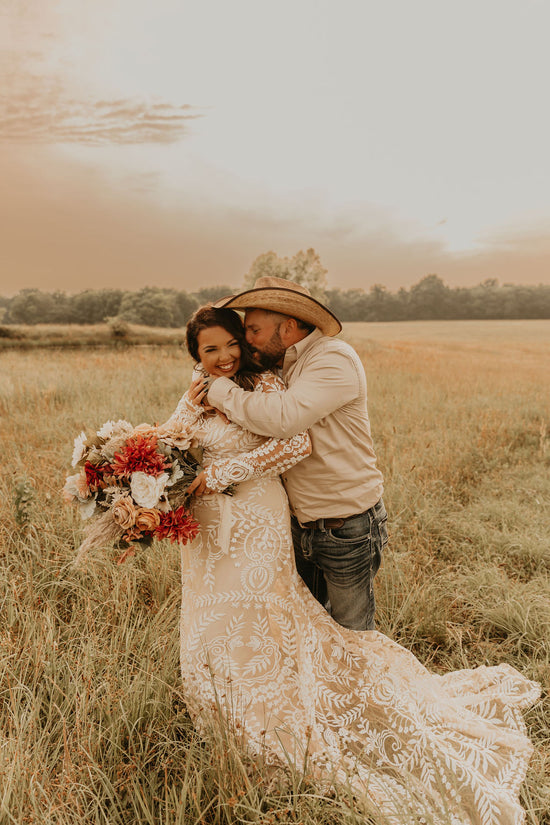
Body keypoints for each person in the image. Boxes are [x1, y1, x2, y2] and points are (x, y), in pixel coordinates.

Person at [162, 304, 540, 825]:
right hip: (235, 527)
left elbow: (292, 434)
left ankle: (362, 715)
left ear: (285, 328)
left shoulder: (302, 371)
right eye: (216, 347)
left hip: (316, 519)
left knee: (337, 630)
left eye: (243, 337)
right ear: (195, 354)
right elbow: (174, 438)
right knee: (244, 625)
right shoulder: (220, 384)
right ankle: (239, 712)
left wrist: (225, 459)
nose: (234, 350)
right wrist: (137, 474)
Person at [206, 276, 386, 632]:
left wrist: (221, 392)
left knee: (353, 635)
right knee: (310, 633)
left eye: (254, 329)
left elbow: (285, 418)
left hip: (345, 525)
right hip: (298, 526)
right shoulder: (279, 365)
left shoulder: (333, 358)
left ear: (288, 326)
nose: (247, 339)